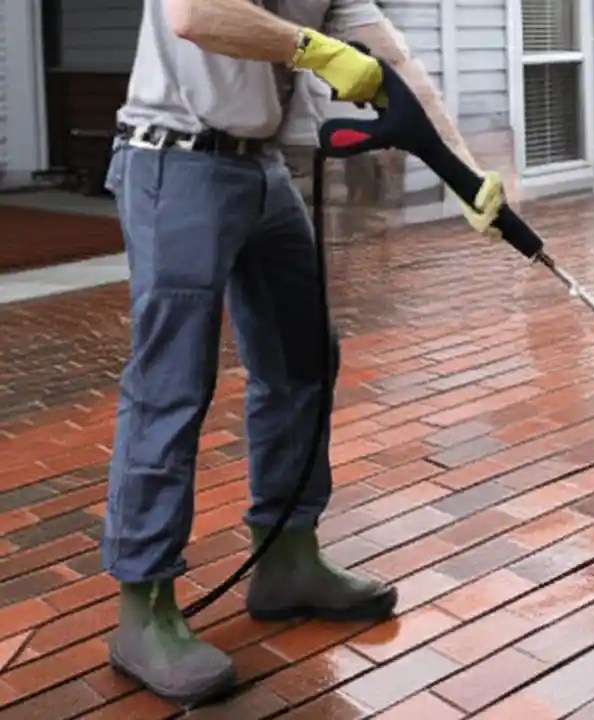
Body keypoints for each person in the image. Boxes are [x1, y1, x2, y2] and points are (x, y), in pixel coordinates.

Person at [100, 0, 505, 707]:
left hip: (262, 170)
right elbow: (195, 14)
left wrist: (467, 174)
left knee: (303, 360)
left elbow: (395, 61)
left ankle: (288, 554)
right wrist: (315, 51)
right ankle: (144, 606)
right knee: (172, 383)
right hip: (173, 161)